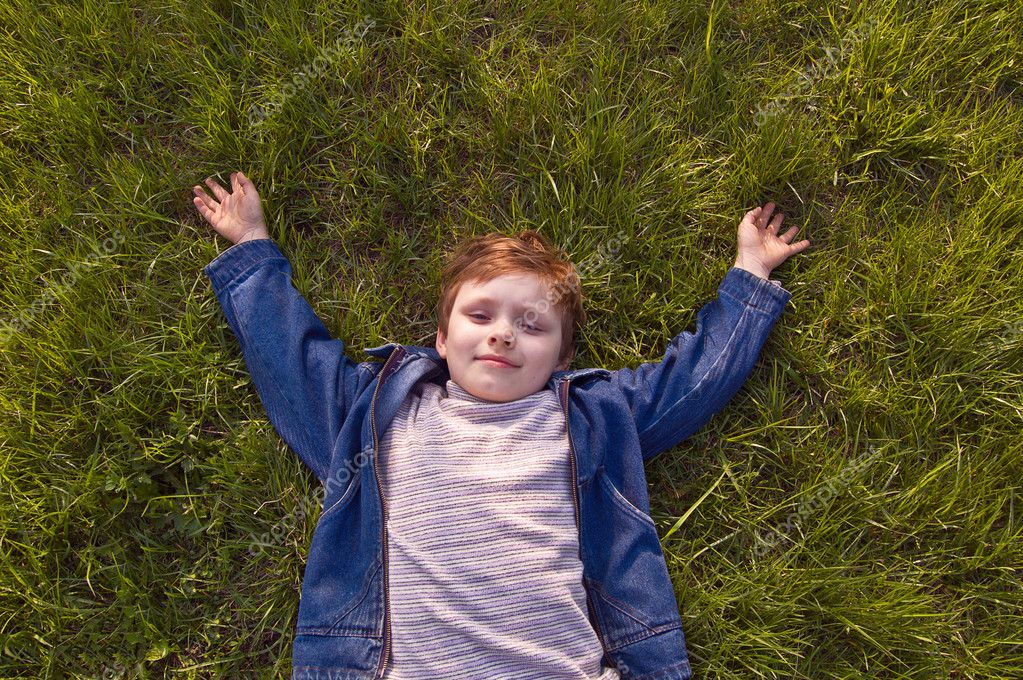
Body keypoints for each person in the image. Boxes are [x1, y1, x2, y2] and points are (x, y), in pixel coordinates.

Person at [192, 171, 810, 680]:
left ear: (563, 357)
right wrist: (250, 247)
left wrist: (750, 275)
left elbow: (691, 383)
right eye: (480, 314)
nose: (503, 334)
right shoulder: (383, 415)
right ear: (442, 337)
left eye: (533, 324)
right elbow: (290, 364)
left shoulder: (589, 419)